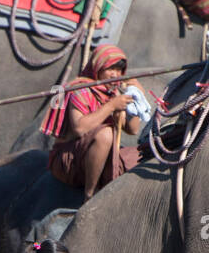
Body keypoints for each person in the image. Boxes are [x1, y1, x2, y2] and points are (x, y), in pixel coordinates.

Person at [40, 44, 143, 199]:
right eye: (110, 69)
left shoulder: (113, 94)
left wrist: (136, 95)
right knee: (106, 134)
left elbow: (133, 130)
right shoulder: (80, 90)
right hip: (70, 159)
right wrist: (111, 106)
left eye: (119, 70)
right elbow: (79, 129)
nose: (115, 74)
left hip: (99, 157)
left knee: (142, 154)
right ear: (97, 67)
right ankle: (90, 193)